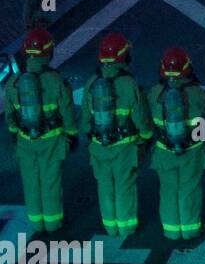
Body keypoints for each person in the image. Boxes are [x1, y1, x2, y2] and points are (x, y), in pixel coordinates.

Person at [80, 33, 153, 238]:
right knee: (124, 186)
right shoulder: (129, 84)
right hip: (124, 147)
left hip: (99, 146)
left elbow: (85, 118)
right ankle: (126, 227)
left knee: (105, 186)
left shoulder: (91, 82)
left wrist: (91, 137)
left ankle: (110, 227)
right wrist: (146, 138)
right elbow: (141, 118)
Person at [4, 28, 76, 235]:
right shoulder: (55, 80)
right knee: (50, 181)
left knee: (31, 182)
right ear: (48, 52)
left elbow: (10, 116)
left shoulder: (14, 82)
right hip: (52, 141)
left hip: (25, 141)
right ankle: (53, 223)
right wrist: (71, 134)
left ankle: (37, 223)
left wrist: (15, 134)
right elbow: (67, 111)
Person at [146, 47, 205, 241]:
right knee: (189, 188)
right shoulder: (195, 93)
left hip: (163, 150)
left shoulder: (155, 93)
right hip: (191, 150)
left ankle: (171, 230)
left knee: (168, 189)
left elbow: (146, 115)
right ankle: (190, 228)